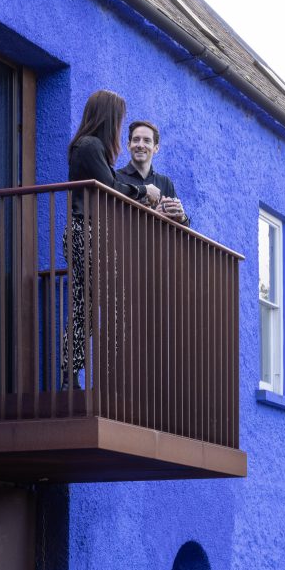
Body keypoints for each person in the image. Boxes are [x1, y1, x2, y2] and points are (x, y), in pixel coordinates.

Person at [63, 91, 162, 383]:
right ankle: (111, 377)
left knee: (87, 306)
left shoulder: (89, 147)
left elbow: (113, 185)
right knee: (118, 303)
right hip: (89, 233)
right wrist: (144, 192)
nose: (120, 127)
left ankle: (71, 375)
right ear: (109, 118)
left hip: (85, 233)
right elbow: (110, 186)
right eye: (119, 120)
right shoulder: (90, 145)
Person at [116, 120, 189, 225]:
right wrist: (154, 215)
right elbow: (113, 218)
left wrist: (181, 217)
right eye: (136, 140)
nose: (140, 145)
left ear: (156, 148)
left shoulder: (165, 183)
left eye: (147, 140)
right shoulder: (116, 178)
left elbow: (183, 230)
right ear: (128, 145)